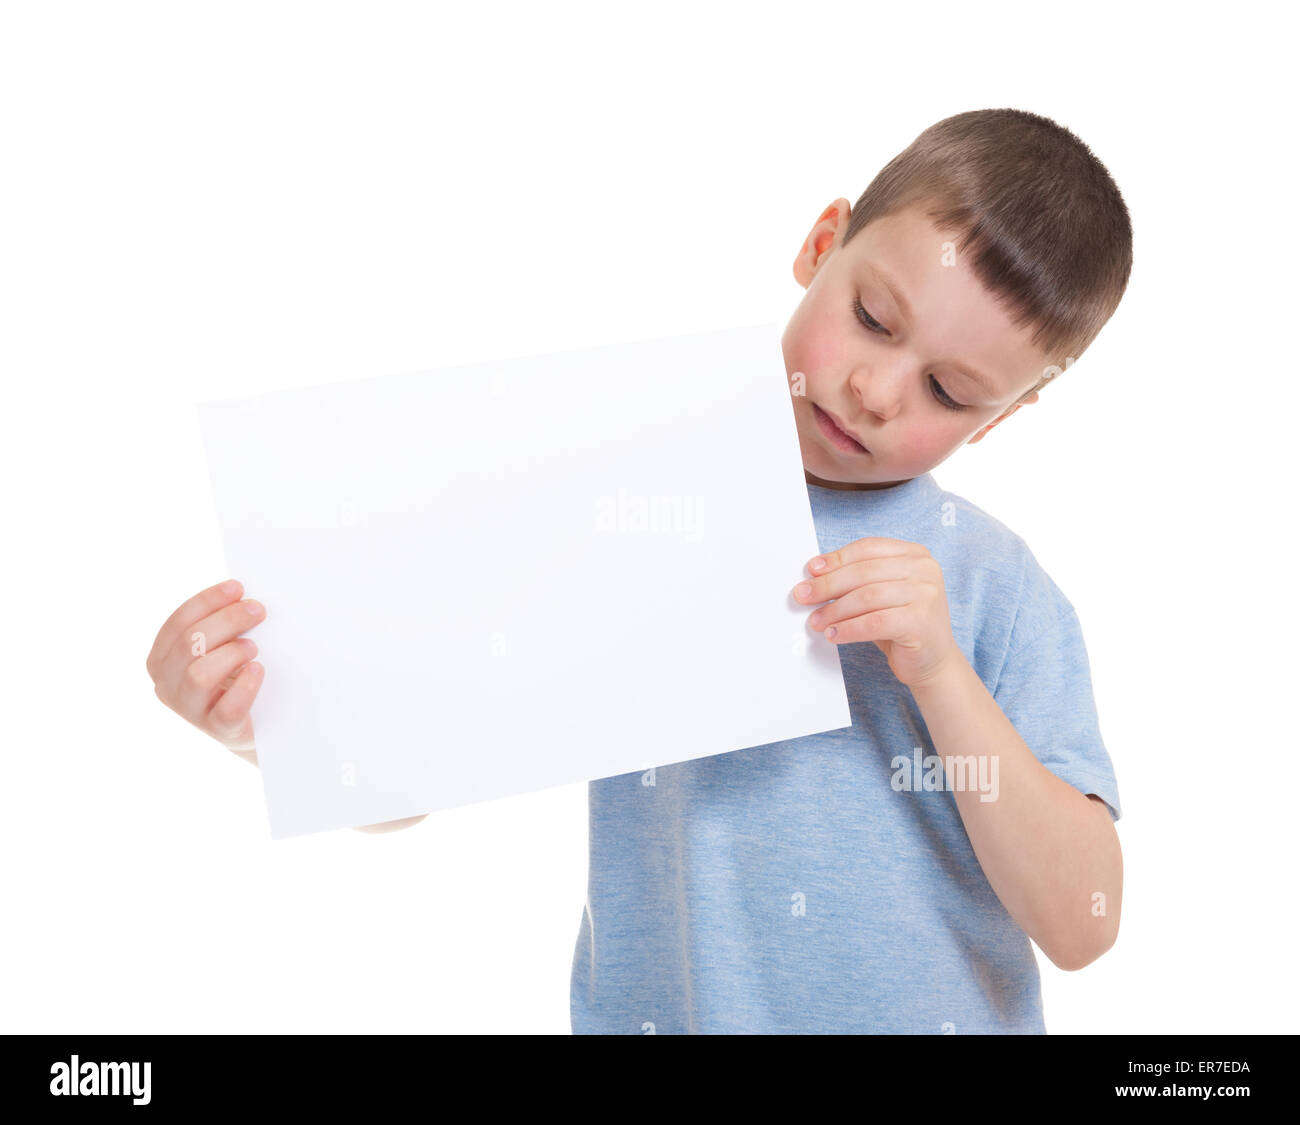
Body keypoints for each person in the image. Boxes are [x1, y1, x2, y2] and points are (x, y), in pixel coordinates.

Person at [147, 107, 1131, 1033]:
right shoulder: (624, 497)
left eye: (948, 391)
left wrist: (942, 676)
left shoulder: (995, 584)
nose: (873, 390)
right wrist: (263, 729)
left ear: (998, 417)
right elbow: (421, 763)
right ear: (820, 243)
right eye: (872, 318)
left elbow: (1083, 923)